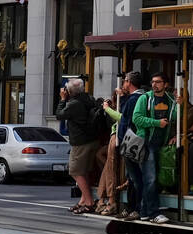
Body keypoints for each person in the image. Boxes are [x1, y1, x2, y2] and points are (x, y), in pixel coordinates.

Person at [132, 72, 178, 223]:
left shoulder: (171, 99)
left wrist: (181, 104)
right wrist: (157, 123)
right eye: (153, 82)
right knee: (150, 179)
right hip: (146, 143)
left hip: (162, 144)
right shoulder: (144, 98)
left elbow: (177, 117)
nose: (154, 84)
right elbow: (136, 118)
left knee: (152, 179)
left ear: (165, 84)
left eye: (158, 82)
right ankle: (153, 213)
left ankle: (144, 211)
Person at [56, 77, 105, 213]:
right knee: (85, 171)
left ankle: (89, 201)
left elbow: (59, 115)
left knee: (75, 171)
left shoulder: (74, 104)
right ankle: (83, 200)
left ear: (69, 91)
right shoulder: (89, 98)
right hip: (93, 139)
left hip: (80, 142)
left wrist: (62, 99)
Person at [115, 71, 146, 220]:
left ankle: (136, 207)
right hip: (133, 141)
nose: (123, 84)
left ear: (129, 82)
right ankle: (130, 206)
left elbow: (124, 118)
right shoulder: (139, 97)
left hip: (131, 141)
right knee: (131, 177)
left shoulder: (134, 99)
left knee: (135, 177)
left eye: (124, 81)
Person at [94, 90, 123, 216]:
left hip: (121, 139)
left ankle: (105, 200)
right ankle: (102, 199)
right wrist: (107, 108)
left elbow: (121, 118)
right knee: (105, 163)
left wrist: (108, 109)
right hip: (113, 138)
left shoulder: (126, 104)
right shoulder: (115, 107)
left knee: (108, 167)